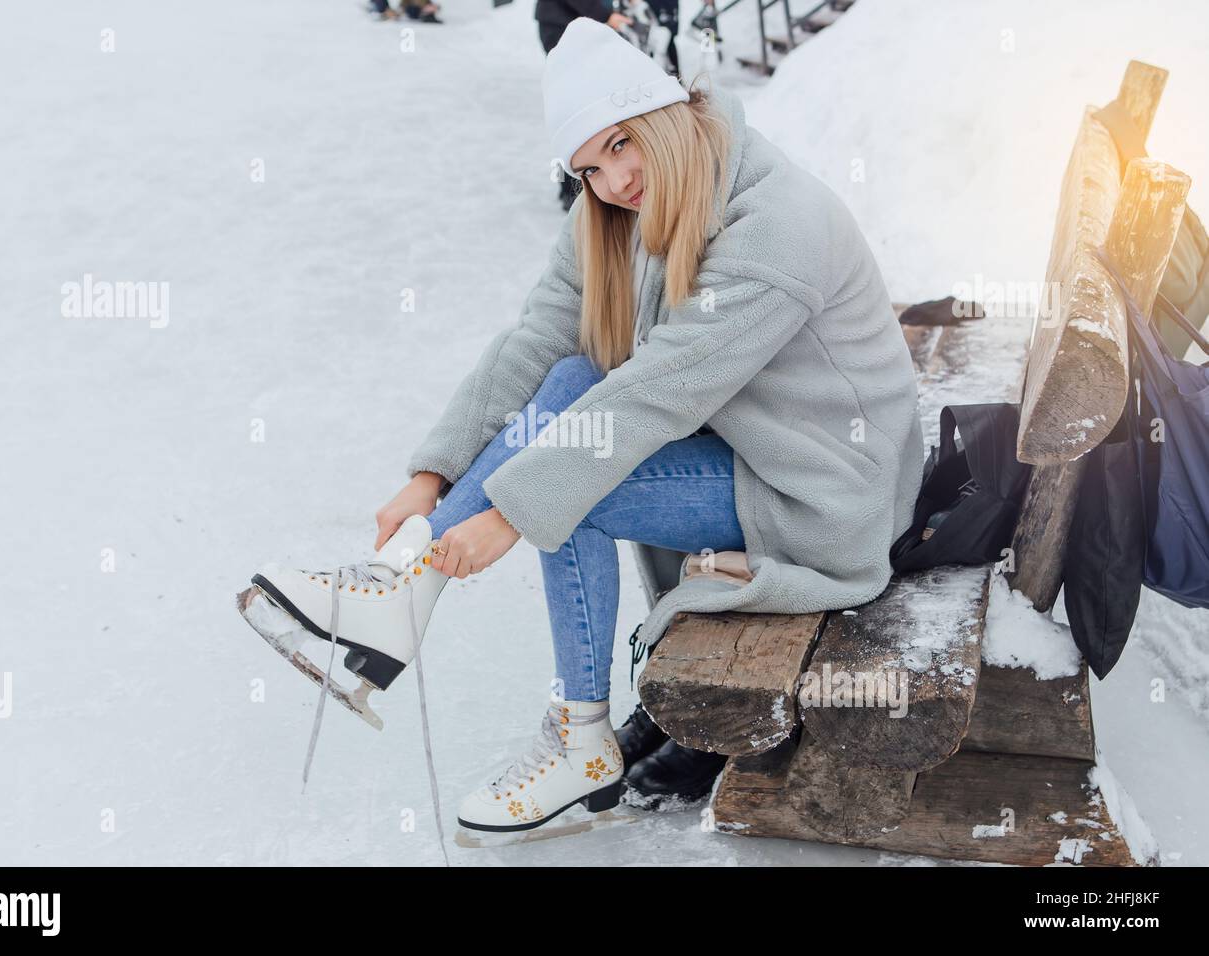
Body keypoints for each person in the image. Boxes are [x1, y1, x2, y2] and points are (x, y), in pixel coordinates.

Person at [248, 17, 923, 834]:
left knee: (570, 484)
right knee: (569, 381)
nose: (612, 181)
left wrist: (507, 513)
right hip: (747, 453)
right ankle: (404, 585)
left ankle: (577, 743)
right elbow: (536, 345)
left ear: (665, 115)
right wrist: (431, 476)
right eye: (589, 167)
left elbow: (656, 393)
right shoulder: (618, 216)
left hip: (822, 489)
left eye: (620, 145)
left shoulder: (777, 224)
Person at [537, 1, 633, 210]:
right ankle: (573, 192)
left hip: (575, 22)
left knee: (589, 111)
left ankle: (578, 190)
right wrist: (605, 14)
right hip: (564, 25)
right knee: (578, 114)